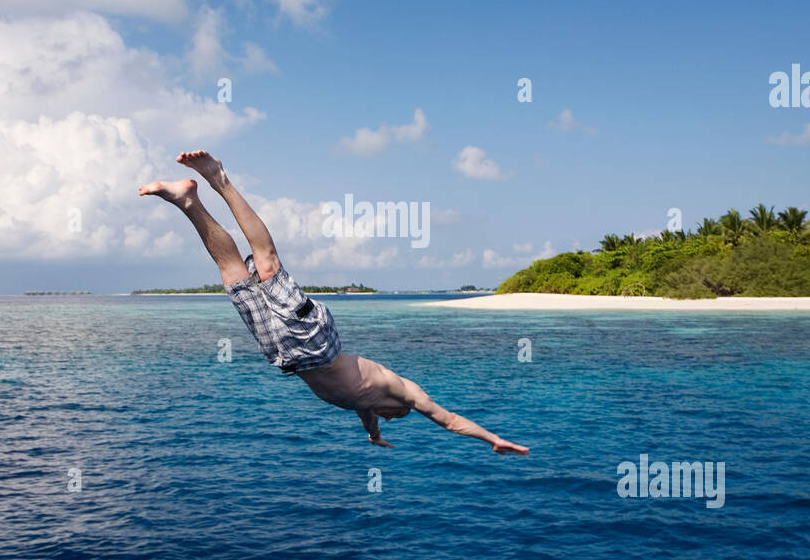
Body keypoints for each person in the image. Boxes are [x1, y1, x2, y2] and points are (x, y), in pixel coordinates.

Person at [140, 151, 529, 455]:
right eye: (395, 418)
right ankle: (218, 177)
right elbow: (449, 420)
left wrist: (373, 437)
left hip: (284, 355)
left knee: (233, 277)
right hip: (316, 343)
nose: (390, 419)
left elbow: (368, 419)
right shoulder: (403, 392)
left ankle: (187, 201)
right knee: (266, 261)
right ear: (397, 407)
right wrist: (492, 438)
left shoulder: (367, 406)